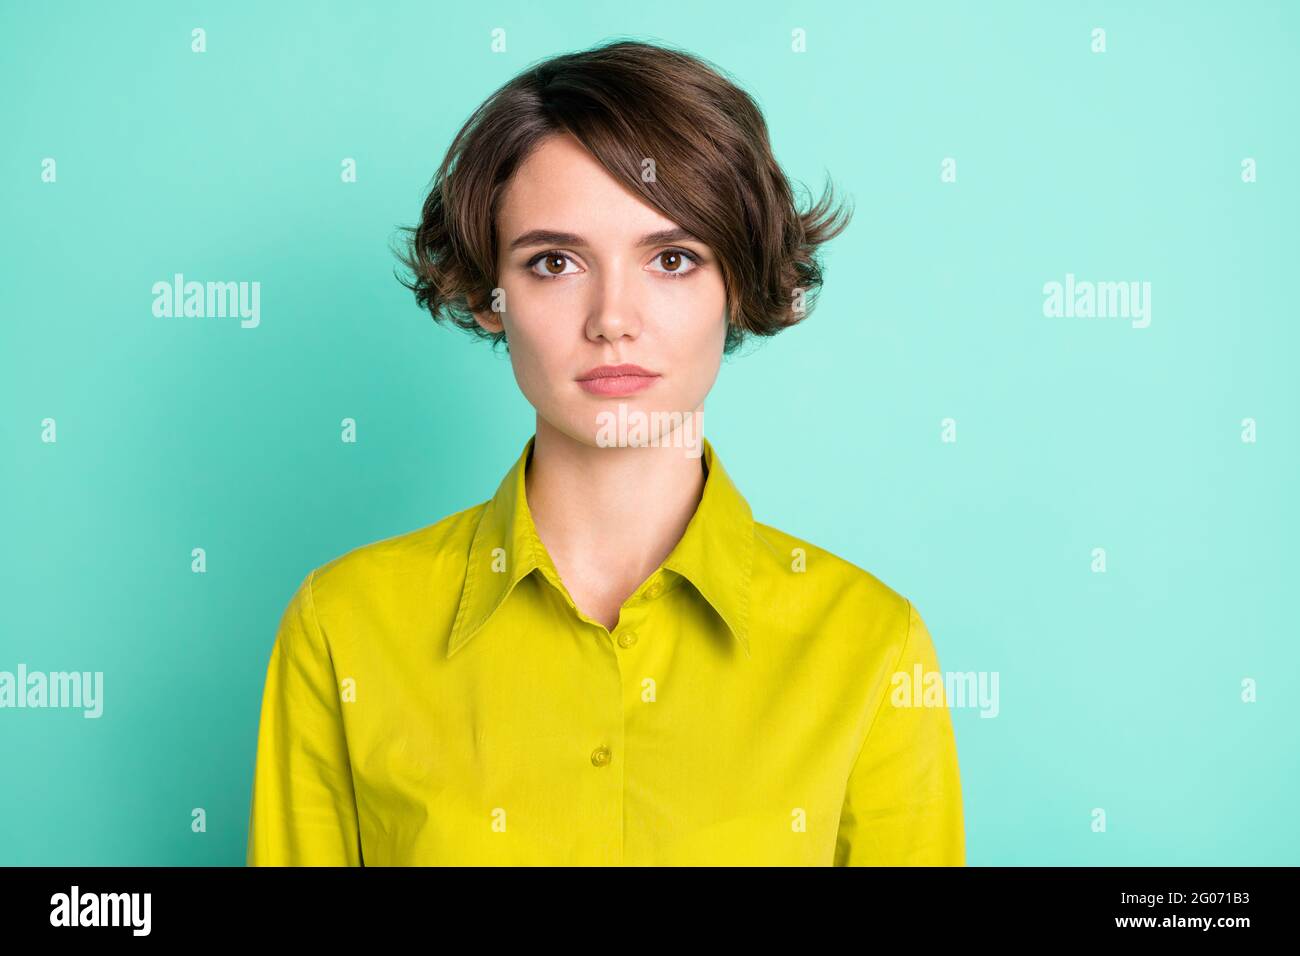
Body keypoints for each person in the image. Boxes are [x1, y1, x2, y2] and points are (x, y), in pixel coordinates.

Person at [246, 38, 964, 866]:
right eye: (554, 262)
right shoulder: (341, 628)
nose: (612, 317)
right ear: (489, 296)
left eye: (672, 259)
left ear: (737, 285)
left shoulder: (873, 645)